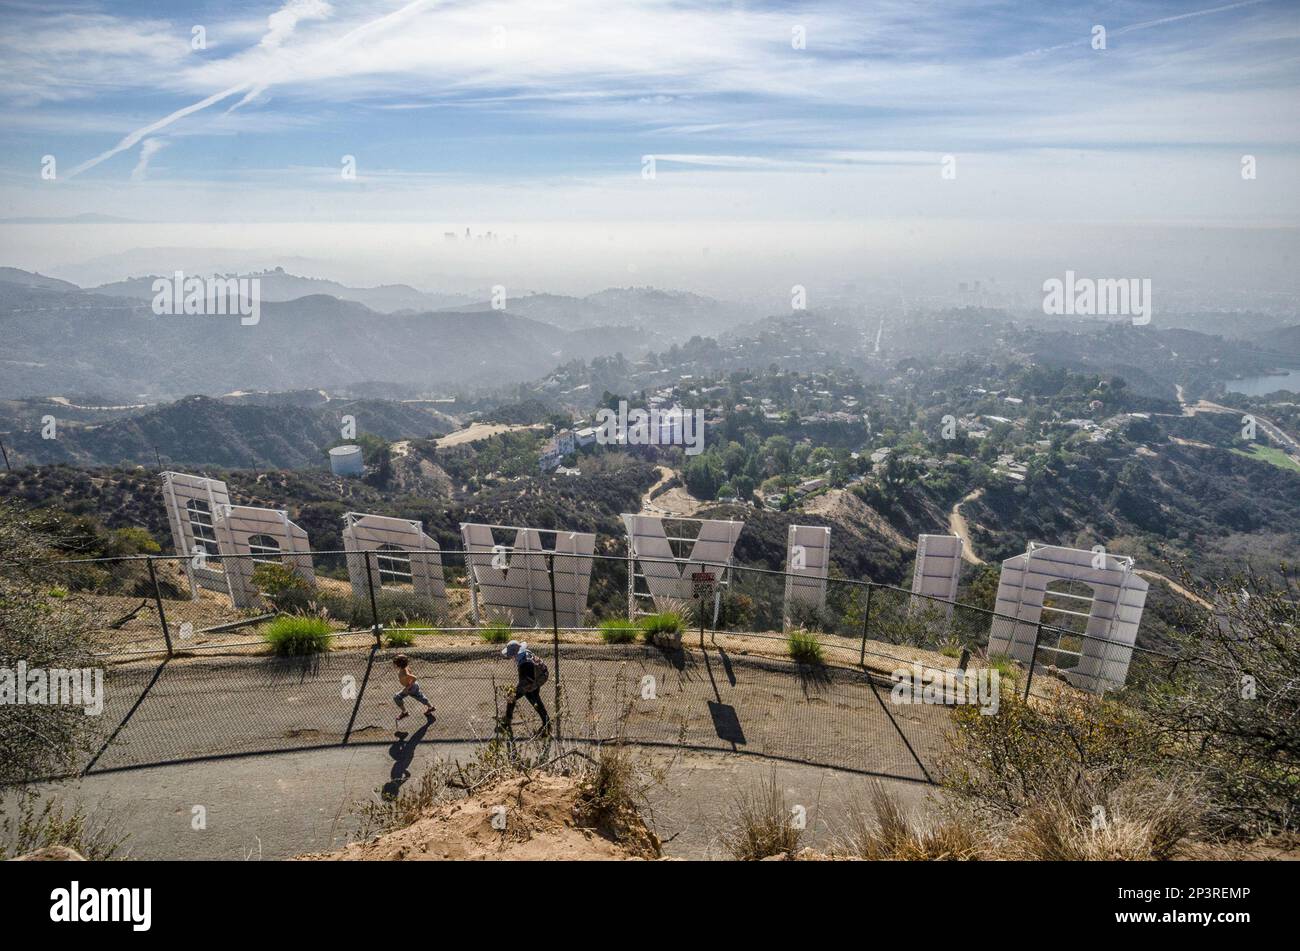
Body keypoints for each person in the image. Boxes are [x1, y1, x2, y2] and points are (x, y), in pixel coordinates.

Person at [501, 640, 549, 733]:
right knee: (534, 699)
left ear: (514, 654)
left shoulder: (525, 664)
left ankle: (507, 721)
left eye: (511, 655)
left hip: (535, 678)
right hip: (539, 675)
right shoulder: (525, 653)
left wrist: (522, 690)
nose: (510, 657)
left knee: (513, 697)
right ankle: (546, 723)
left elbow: (527, 680)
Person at [391, 654, 435, 723]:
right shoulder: (405, 668)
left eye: (395, 664)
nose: (394, 665)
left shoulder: (404, 672)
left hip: (411, 688)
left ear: (398, 665)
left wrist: (407, 688)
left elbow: (414, 677)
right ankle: (431, 707)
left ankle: (404, 712)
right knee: (420, 696)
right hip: (413, 686)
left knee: (397, 697)